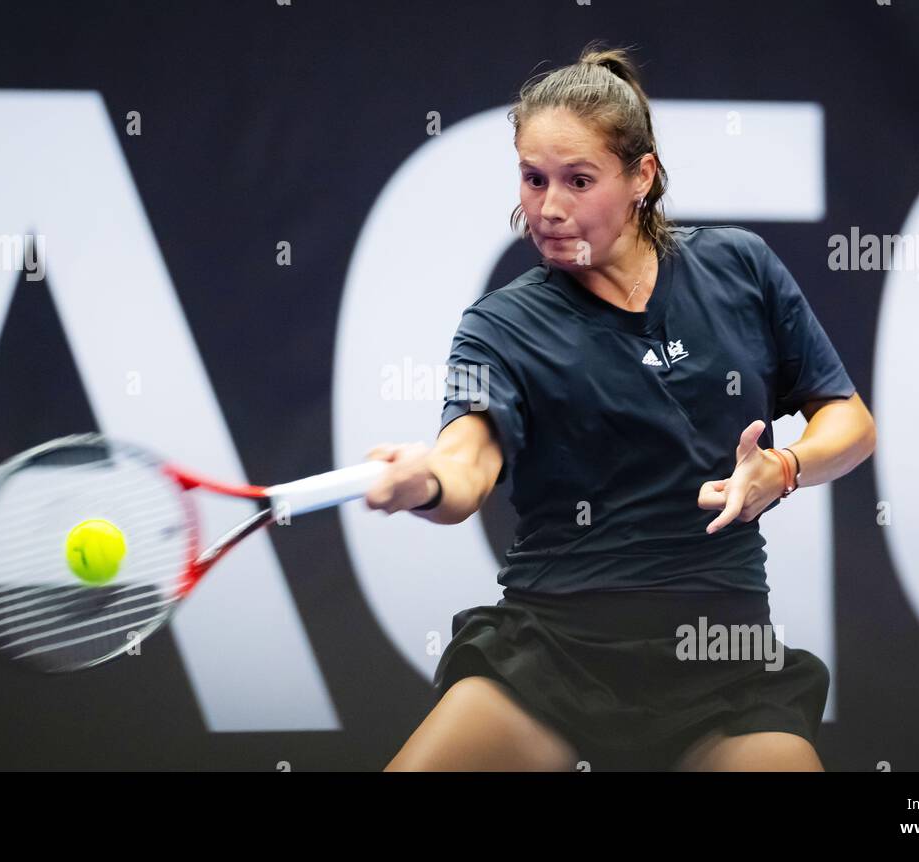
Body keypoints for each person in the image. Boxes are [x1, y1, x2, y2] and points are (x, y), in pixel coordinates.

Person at [366, 42, 876, 771]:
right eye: (532, 178)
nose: (547, 208)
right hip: (551, 659)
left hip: (723, 663)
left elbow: (851, 423)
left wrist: (785, 468)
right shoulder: (500, 326)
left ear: (643, 176)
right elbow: (466, 463)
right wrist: (427, 482)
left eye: (578, 180)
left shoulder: (740, 269)